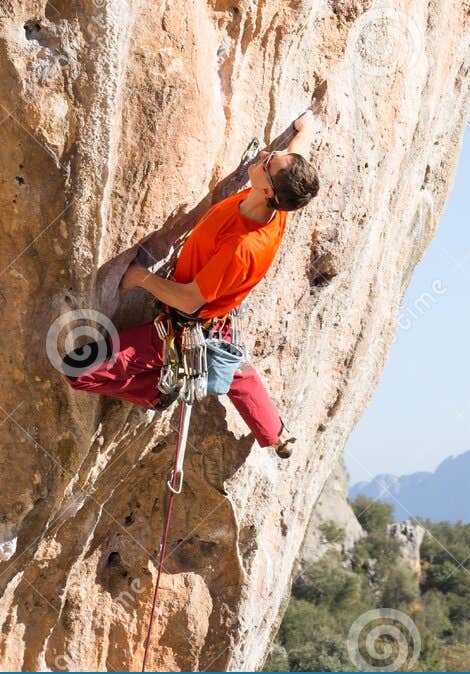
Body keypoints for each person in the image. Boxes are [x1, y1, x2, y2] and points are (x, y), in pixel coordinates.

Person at [66, 113, 320, 458]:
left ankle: (156, 391)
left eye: (270, 161)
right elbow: (294, 157)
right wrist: (305, 131)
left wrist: (140, 278)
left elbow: (187, 301)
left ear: (267, 189)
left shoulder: (242, 246)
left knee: (79, 369)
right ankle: (277, 434)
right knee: (234, 369)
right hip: (216, 317)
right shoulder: (275, 201)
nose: (265, 155)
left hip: (182, 326)